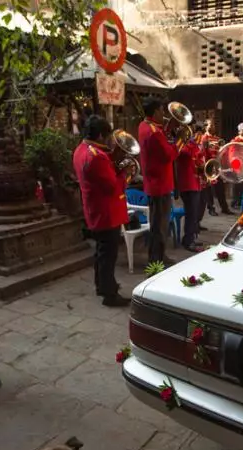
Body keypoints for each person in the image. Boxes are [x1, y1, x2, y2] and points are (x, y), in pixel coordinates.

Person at [72, 115, 131, 307]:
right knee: (108, 254)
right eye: (106, 136)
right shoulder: (96, 157)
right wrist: (123, 171)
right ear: (98, 135)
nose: (107, 141)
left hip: (94, 209)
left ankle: (102, 285)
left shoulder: (81, 150)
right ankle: (109, 293)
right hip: (106, 211)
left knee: (100, 251)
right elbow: (112, 187)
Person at [138, 98, 180, 266]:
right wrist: (180, 142)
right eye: (162, 111)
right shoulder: (154, 132)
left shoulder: (144, 126)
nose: (164, 114)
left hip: (154, 183)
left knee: (159, 224)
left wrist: (168, 130)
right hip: (159, 184)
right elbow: (169, 155)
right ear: (155, 112)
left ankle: (158, 256)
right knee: (160, 225)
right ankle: (156, 259)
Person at [200, 119, 233, 216]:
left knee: (220, 188)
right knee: (209, 189)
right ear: (206, 127)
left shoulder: (218, 139)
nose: (212, 127)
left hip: (217, 166)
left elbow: (222, 153)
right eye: (210, 125)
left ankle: (224, 208)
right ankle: (211, 208)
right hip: (208, 166)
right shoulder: (203, 138)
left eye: (213, 125)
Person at [230, 123, 243, 209]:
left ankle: (240, 201)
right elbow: (232, 154)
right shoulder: (235, 141)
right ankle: (234, 202)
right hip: (238, 166)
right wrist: (236, 166)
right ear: (239, 131)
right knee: (237, 185)